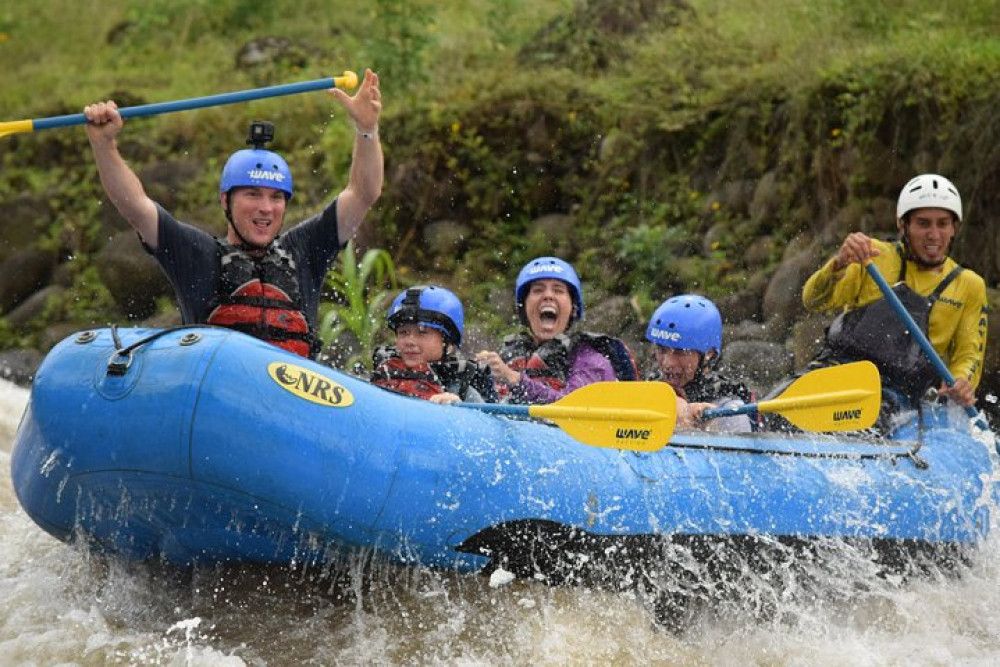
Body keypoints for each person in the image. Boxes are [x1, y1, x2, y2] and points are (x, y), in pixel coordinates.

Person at [82, 69, 384, 359]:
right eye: (253, 194)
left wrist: (366, 129)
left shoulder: (304, 251)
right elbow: (135, 207)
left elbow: (363, 193)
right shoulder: (198, 254)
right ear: (225, 201)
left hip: (290, 390)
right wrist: (104, 144)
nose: (266, 207)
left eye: (276, 197)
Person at [800, 172, 987, 412]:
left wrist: (962, 381)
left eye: (942, 224)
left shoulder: (969, 285)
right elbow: (813, 301)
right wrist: (839, 264)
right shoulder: (871, 255)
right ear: (902, 224)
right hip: (837, 370)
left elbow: (969, 356)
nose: (934, 234)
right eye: (923, 223)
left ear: (954, 228)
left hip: (900, 395)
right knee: (773, 416)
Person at [476, 256, 638, 404]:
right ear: (523, 307)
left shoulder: (591, 359)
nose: (548, 296)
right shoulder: (512, 355)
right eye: (538, 290)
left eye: (558, 290)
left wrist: (514, 379)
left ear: (573, 308)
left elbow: (573, 408)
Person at [645, 294, 754, 432]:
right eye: (661, 350)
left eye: (680, 352)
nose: (668, 363)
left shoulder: (730, 411)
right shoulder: (647, 390)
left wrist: (700, 428)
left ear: (709, 354)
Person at [371, 286, 497, 404]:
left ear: (448, 343)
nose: (409, 341)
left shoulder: (461, 387)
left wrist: (457, 410)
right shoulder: (384, 372)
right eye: (403, 332)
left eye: (422, 332)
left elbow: (490, 418)